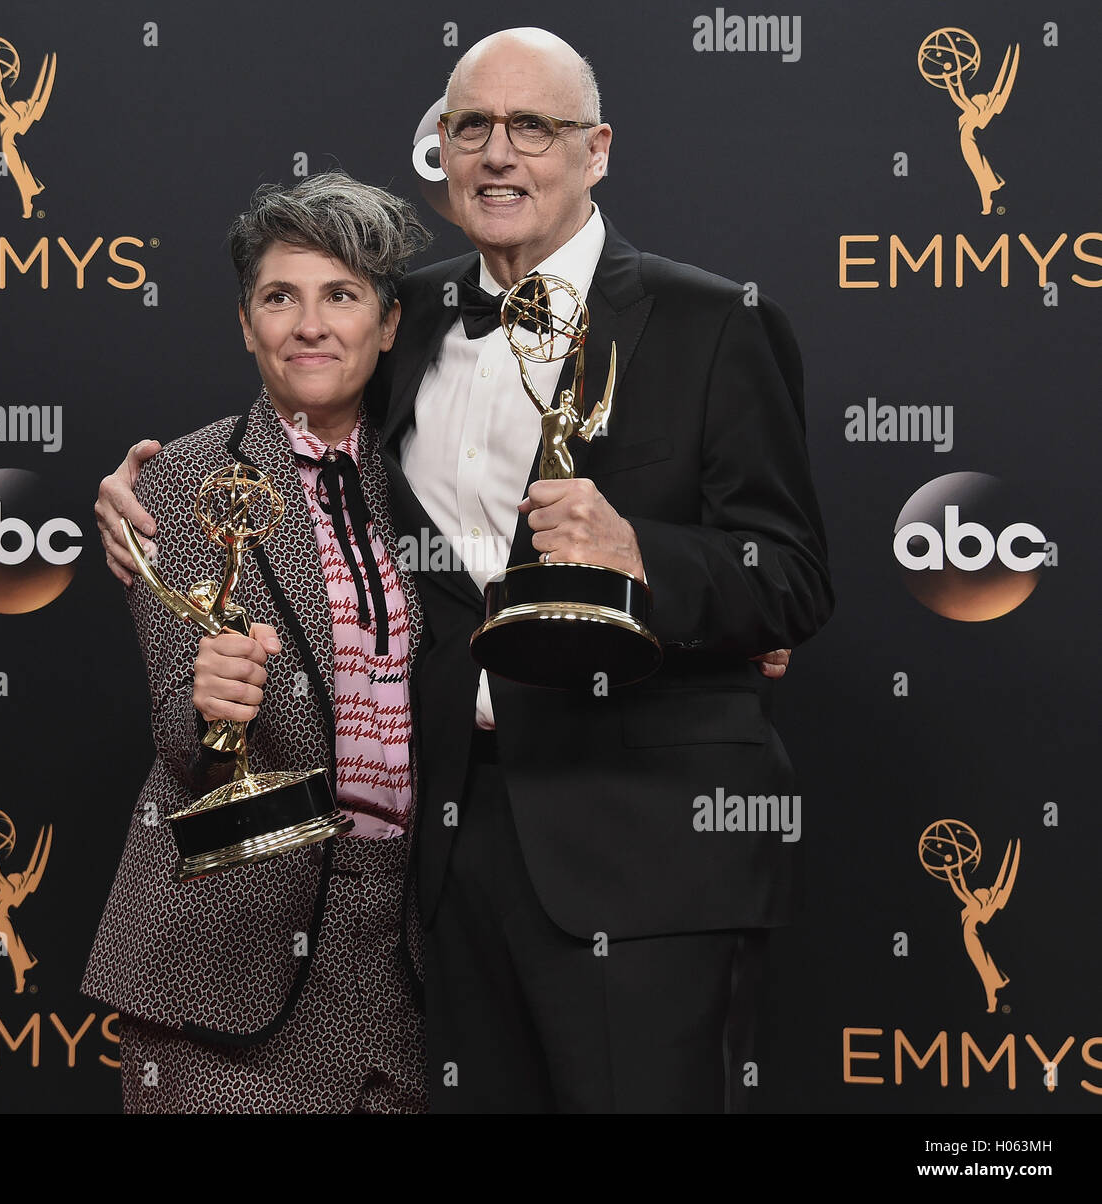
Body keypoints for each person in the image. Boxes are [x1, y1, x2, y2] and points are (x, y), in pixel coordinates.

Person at [98, 27, 832, 1113]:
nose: (498, 153)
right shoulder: (414, 317)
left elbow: (792, 577)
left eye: (532, 126)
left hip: (643, 844)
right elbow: (298, 445)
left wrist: (646, 558)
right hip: (447, 862)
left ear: (598, 149)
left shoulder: (717, 322)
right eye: (471, 127)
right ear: (439, 148)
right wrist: (138, 495)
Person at [81, 172, 432, 1113]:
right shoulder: (185, 481)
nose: (309, 325)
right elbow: (181, 742)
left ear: (388, 324)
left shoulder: (434, 477)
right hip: (231, 951)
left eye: (342, 295)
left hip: (412, 960)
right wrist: (209, 705)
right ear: (246, 324)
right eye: (281, 297)